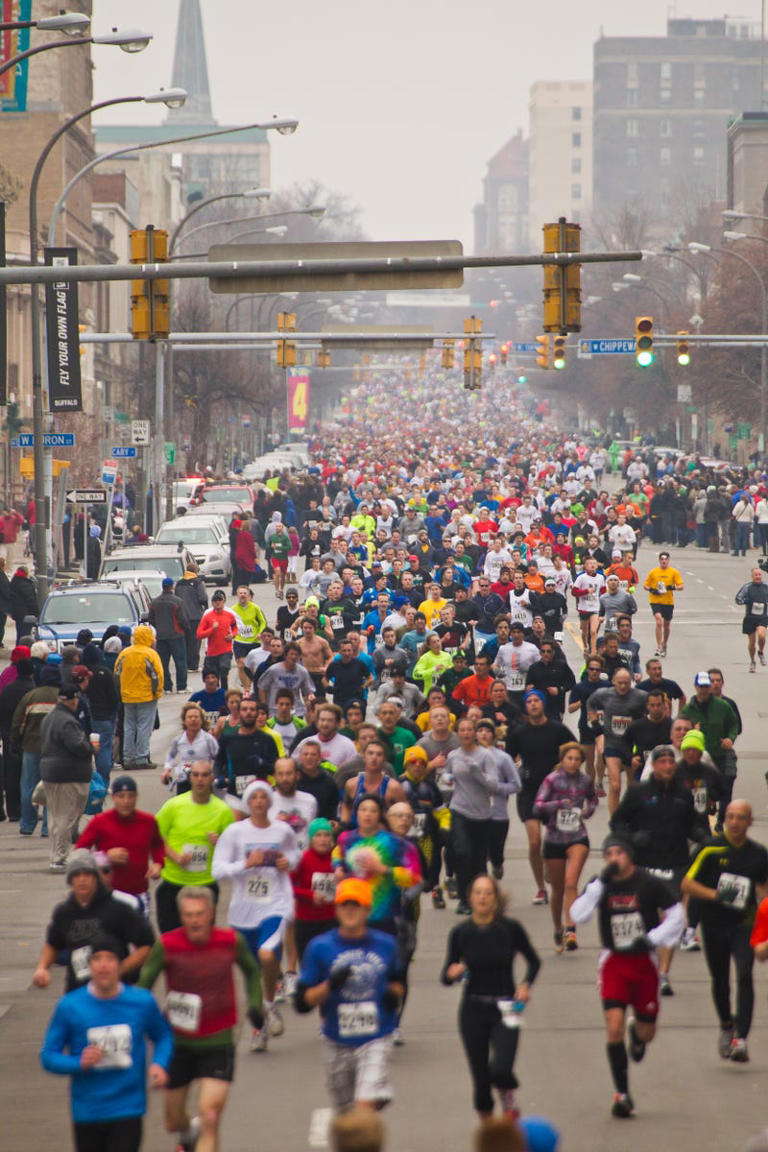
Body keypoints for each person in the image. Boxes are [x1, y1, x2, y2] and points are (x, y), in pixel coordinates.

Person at [138, 885, 264, 1152]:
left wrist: (255, 1005)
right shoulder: (167, 945)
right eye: (188, 915)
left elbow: (252, 972)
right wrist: (138, 1022)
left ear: (211, 914)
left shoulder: (230, 941)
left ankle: (201, 1133)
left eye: (199, 914)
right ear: (181, 916)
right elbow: (143, 987)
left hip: (217, 1042)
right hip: (178, 1044)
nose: (194, 920)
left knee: (210, 1116)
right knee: (173, 1122)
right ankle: (188, 1130)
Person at [569, 836, 685, 1118]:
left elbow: (677, 915)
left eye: (619, 852)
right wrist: (597, 887)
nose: (614, 858)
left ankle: (638, 1032)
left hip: (644, 962)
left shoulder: (648, 883)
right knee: (613, 1026)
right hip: (614, 962)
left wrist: (651, 938)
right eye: (608, 853)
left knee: (647, 1031)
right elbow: (577, 914)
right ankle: (622, 1093)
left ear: (630, 856)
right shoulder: (602, 885)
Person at [40, 933, 173, 1152]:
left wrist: (160, 1063)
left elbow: (163, 1036)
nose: (104, 966)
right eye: (98, 959)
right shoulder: (70, 1006)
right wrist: (78, 1063)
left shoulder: (141, 1002)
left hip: (128, 1107)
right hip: (88, 1110)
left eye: (110, 959)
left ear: (120, 965)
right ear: (89, 965)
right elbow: (48, 1056)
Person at [295, 877, 404, 1112]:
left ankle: (374, 1094)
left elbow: (398, 981)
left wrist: (392, 997)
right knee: (346, 1116)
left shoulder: (386, 944)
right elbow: (302, 1003)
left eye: (356, 904)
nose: (350, 910)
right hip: (336, 1039)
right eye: (345, 904)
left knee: (363, 1108)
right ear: (336, 909)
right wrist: (329, 986)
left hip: (377, 1036)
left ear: (368, 909)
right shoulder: (320, 947)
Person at [441, 874, 540, 1121]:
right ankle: (490, 1135)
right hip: (473, 1010)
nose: (483, 897)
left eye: (488, 893)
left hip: (506, 1008)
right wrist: (453, 973)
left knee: (500, 1070)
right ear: (470, 898)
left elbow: (534, 961)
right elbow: (446, 975)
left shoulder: (510, 929)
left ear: (495, 899)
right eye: (478, 893)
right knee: (481, 1081)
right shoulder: (460, 933)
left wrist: (526, 984)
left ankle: (507, 1096)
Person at [212, 780, 300, 1049]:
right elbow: (217, 870)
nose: (259, 802)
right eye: (254, 797)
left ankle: (270, 1002)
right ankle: (259, 1026)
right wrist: (244, 864)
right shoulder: (235, 833)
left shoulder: (282, 830)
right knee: (252, 971)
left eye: (264, 797)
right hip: (243, 911)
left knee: (266, 955)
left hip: (275, 904)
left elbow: (295, 855)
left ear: (269, 802)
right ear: (248, 802)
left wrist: (288, 862)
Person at [610, 744, 701, 997]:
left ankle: (663, 974)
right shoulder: (638, 792)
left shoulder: (683, 794)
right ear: (654, 765)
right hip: (644, 865)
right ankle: (643, 965)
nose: (668, 766)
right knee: (648, 919)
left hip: (676, 864)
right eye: (662, 762)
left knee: (671, 919)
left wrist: (702, 836)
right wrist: (630, 837)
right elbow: (617, 821)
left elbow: (691, 824)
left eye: (671, 762)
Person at [683, 799, 768, 1063]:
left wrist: (764, 934)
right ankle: (726, 1024)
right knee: (720, 981)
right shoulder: (709, 849)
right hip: (714, 923)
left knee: (744, 975)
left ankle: (740, 1039)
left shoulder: (758, 854)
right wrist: (715, 894)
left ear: (749, 822)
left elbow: (764, 893)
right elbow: (687, 883)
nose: (734, 822)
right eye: (730, 816)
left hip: (744, 925)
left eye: (740, 817)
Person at [33, 849, 154, 993]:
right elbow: (53, 944)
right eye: (76, 875)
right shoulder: (64, 912)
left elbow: (146, 945)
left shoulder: (118, 909)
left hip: (115, 992)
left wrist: (120, 969)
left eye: (87, 874)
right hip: (78, 993)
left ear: (96, 878)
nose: (82, 879)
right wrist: (42, 968)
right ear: (70, 881)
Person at [506, 691, 571, 905]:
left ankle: (552, 870)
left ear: (543, 704)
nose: (533, 705)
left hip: (554, 791)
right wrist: (513, 771)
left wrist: (564, 765)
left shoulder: (557, 729)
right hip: (529, 791)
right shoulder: (519, 732)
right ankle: (541, 889)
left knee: (554, 841)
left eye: (536, 701)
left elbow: (574, 749)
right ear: (525, 706)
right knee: (535, 841)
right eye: (529, 702)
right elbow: (508, 757)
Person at [154, 760, 236, 933]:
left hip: (205, 885)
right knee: (171, 943)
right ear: (190, 778)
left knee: (201, 942)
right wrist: (175, 856)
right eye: (196, 775)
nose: (200, 780)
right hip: (174, 883)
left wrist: (221, 843)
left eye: (205, 775)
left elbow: (233, 850)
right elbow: (155, 836)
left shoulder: (223, 810)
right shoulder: (174, 805)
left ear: (212, 778)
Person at [533, 742, 597, 952]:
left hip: (577, 836)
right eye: (569, 758)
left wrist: (587, 812)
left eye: (577, 759)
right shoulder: (552, 780)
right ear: (562, 760)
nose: (573, 763)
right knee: (558, 890)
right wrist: (558, 805)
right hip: (554, 838)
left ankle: (571, 929)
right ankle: (558, 926)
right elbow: (538, 805)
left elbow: (592, 799)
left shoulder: (585, 780)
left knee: (571, 883)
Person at [76, 775, 164, 917]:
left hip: (139, 894)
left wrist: (158, 864)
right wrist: (104, 857)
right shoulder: (99, 822)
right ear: (113, 798)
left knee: (141, 937)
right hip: (108, 895)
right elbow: (79, 853)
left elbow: (158, 845)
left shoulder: (148, 822)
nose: (126, 801)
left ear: (136, 797)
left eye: (130, 796)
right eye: (121, 796)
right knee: (109, 939)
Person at [446, 716, 502, 914]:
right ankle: (464, 899)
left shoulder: (485, 756)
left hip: (482, 815)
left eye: (470, 730)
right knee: (462, 853)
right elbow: (446, 778)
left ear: (475, 733)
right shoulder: (453, 756)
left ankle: (482, 898)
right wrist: (446, 779)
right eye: (462, 730)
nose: (466, 733)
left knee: (478, 861)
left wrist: (478, 773)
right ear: (457, 733)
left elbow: (494, 785)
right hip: (459, 810)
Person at [40, 684, 96, 872]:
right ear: (72, 700)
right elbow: (77, 746)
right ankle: (60, 858)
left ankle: (55, 855)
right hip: (68, 775)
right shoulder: (67, 721)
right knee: (67, 818)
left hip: (51, 773)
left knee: (55, 817)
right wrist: (91, 748)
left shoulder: (50, 718)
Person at [587, 669, 647, 815]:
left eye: (626, 683)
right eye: (620, 683)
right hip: (613, 744)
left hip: (632, 746)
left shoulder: (640, 696)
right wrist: (596, 725)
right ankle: (615, 822)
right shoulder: (604, 694)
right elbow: (590, 703)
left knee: (632, 786)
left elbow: (657, 706)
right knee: (615, 785)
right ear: (613, 682)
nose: (623, 686)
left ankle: (632, 816)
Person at [475, 720, 520, 882]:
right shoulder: (468, 756)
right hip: (474, 814)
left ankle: (497, 863)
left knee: (495, 851)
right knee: (478, 853)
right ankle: (482, 884)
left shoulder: (503, 758)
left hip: (498, 815)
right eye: (480, 730)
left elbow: (516, 785)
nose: (483, 734)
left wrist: (496, 787)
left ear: (494, 735)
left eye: (487, 731)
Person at [113, 625, 163, 771]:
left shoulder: (124, 653)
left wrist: (119, 693)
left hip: (127, 696)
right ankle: (141, 757)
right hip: (147, 696)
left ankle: (128, 758)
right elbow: (157, 676)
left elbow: (116, 674)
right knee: (144, 727)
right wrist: (157, 692)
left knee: (128, 727)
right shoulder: (150, 654)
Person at [213, 694, 279, 800]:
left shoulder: (267, 739)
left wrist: (262, 764)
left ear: (257, 713)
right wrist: (221, 778)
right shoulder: (228, 738)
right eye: (244, 709)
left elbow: (276, 769)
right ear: (239, 713)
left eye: (252, 709)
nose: (248, 712)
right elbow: (218, 762)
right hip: (234, 795)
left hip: (260, 796)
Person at [291, 817, 338, 959]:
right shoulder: (302, 859)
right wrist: (310, 895)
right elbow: (288, 887)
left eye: (326, 835)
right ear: (311, 839)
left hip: (331, 920)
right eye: (318, 835)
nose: (323, 839)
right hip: (306, 921)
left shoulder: (337, 859)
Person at [163, 703, 219, 794]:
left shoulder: (208, 739)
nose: (193, 719)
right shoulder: (178, 740)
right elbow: (170, 756)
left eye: (196, 717)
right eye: (190, 717)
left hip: (203, 780)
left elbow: (218, 758)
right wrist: (166, 770)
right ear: (184, 721)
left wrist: (215, 775)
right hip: (184, 780)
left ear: (201, 720)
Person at [149, 577, 190, 695]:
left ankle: (167, 687)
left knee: (163, 663)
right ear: (172, 587)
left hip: (161, 636)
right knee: (180, 661)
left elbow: (151, 618)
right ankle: (181, 686)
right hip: (176, 636)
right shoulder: (177, 601)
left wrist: (159, 628)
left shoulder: (155, 602)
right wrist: (186, 629)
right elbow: (183, 619)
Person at [643, 551, 684, 657]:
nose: (664, 561)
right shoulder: (653, 572)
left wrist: (673, 587)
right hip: (655, 600)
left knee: (666, 625)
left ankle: (664, 643)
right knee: (659, 622)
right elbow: (645, 585)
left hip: (668, 602)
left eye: (666, 559)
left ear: (669, 560)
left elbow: (681, 586)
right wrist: (652, 589)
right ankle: (658, 646)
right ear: (659, 560)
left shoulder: (673, 572)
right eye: (662, 559)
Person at [197, 590, 238, 689]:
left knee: (224, 670)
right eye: (215, 601)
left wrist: (232, 635)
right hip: (212, 652)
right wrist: (212, 629)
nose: (218, 602)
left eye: (220, 600)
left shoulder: (229, 615)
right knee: (213, 677)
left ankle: (225, 693)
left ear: (224, 602)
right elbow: (199, 634)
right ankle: (216, 694)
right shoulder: (207, 617)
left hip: (226, 650)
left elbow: (235, 627)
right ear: (212, 603)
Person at [231, 585, 267, 689]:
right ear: (237, 595)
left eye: (244, 593)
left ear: (248, 595)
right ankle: (246, 689)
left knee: (252, 666)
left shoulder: (255, 608)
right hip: (240, 641)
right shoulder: (233, 609)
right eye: (240, 593)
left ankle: (253, 684)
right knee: (241, 665)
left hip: (253, 641)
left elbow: (263, 622)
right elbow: (230, 624)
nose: (242, 595)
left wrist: (260, 633)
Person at [175, 563, 209, 673]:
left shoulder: (179, 583)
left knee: (184, 641)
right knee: (195, 642)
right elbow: (203, 598)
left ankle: (184, 664)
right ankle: (193, 665)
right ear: (195, 572)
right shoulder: (198, 583)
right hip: (195, 617)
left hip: (181, 617)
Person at [735, 566, 768, 671]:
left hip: (762, 616)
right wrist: (746, 601)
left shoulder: (766, 587)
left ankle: (761, 652)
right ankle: (752, 661)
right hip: (750, 617)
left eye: (759, 575)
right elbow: (738, 599)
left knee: (762, 636)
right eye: (756, 575)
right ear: (752, 576)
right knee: (752, 642)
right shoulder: (747, 587)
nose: (758, 577)